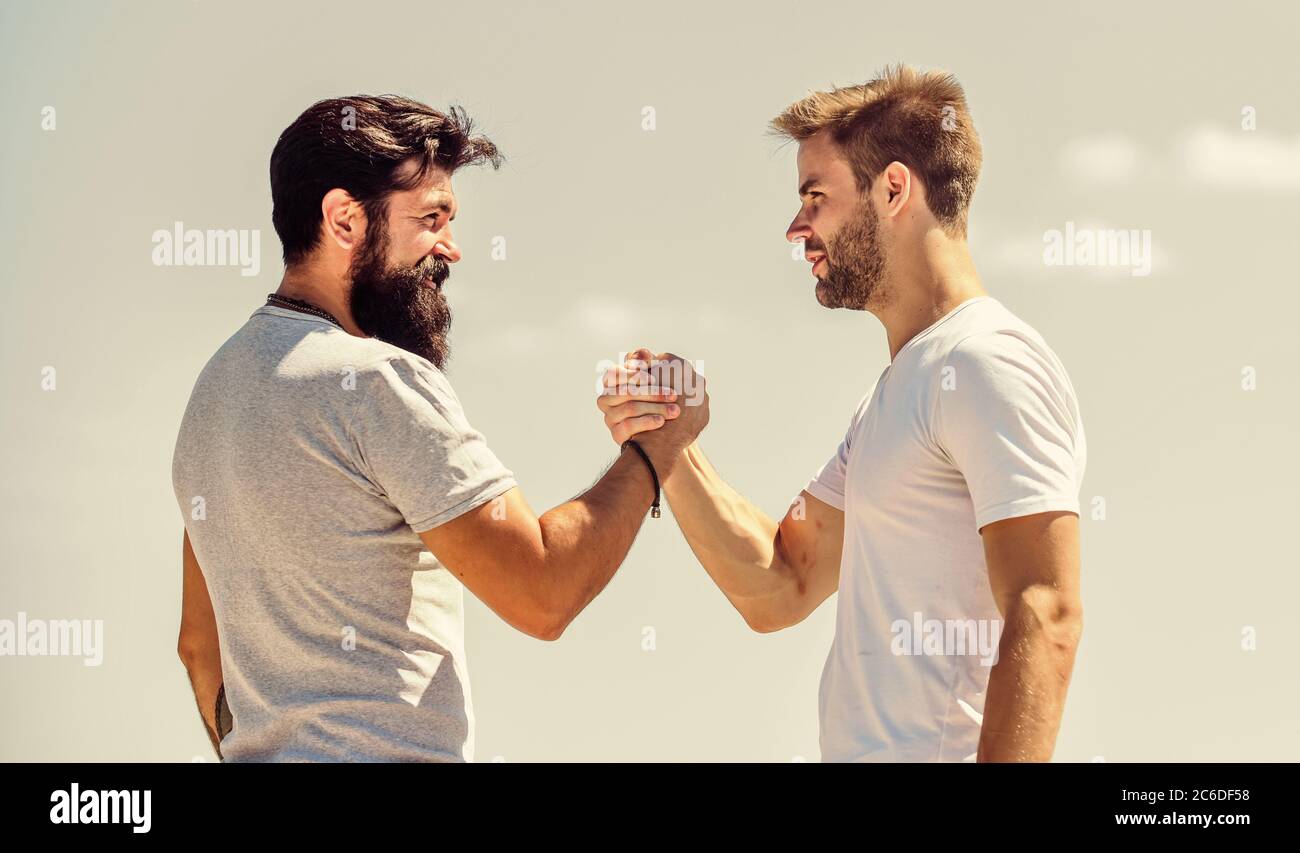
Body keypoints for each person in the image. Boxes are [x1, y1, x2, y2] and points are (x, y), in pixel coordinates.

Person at [172, 95, 705, 762]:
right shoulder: (376, 380)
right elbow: (543, 592)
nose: (450, 247)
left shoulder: (213, 394)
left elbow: (199, 647)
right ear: (344, 219)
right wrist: (653, 452)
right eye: (430, 220)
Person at [598, 65, 1087, 762]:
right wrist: (671, 443)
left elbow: (1046, 606)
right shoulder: (896, 392)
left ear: (893, 189)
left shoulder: (986, 361)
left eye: (816, 197)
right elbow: (783, 580)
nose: (797, 228)